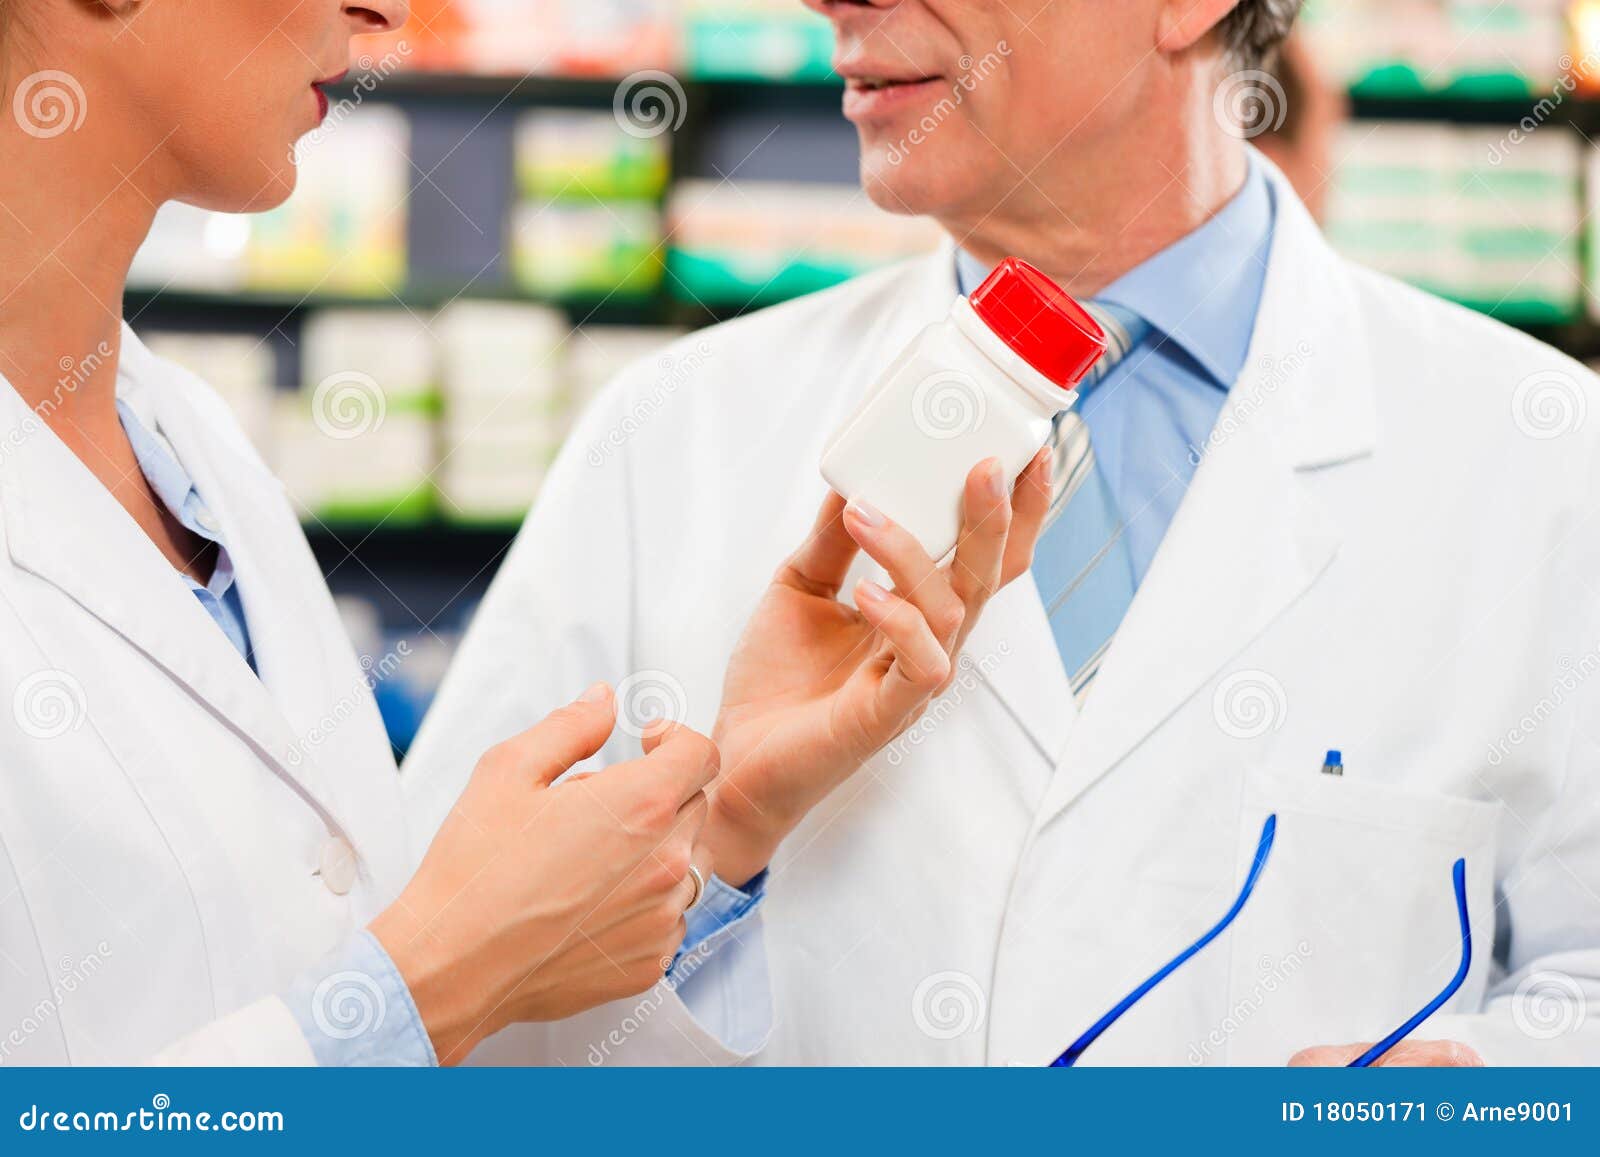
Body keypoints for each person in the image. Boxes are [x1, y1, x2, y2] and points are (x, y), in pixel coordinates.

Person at [408, 0, 1600, 1066]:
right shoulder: (669, 437)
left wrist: (1486, 1088)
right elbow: (435, 1011)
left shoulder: (1546, 456)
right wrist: (718, 857)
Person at [0, 0, 1041, 1065]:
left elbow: (330, 974)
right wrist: (427, 986)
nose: (382, 12)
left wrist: (714, 827)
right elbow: (400, 987)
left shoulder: (192, 447)